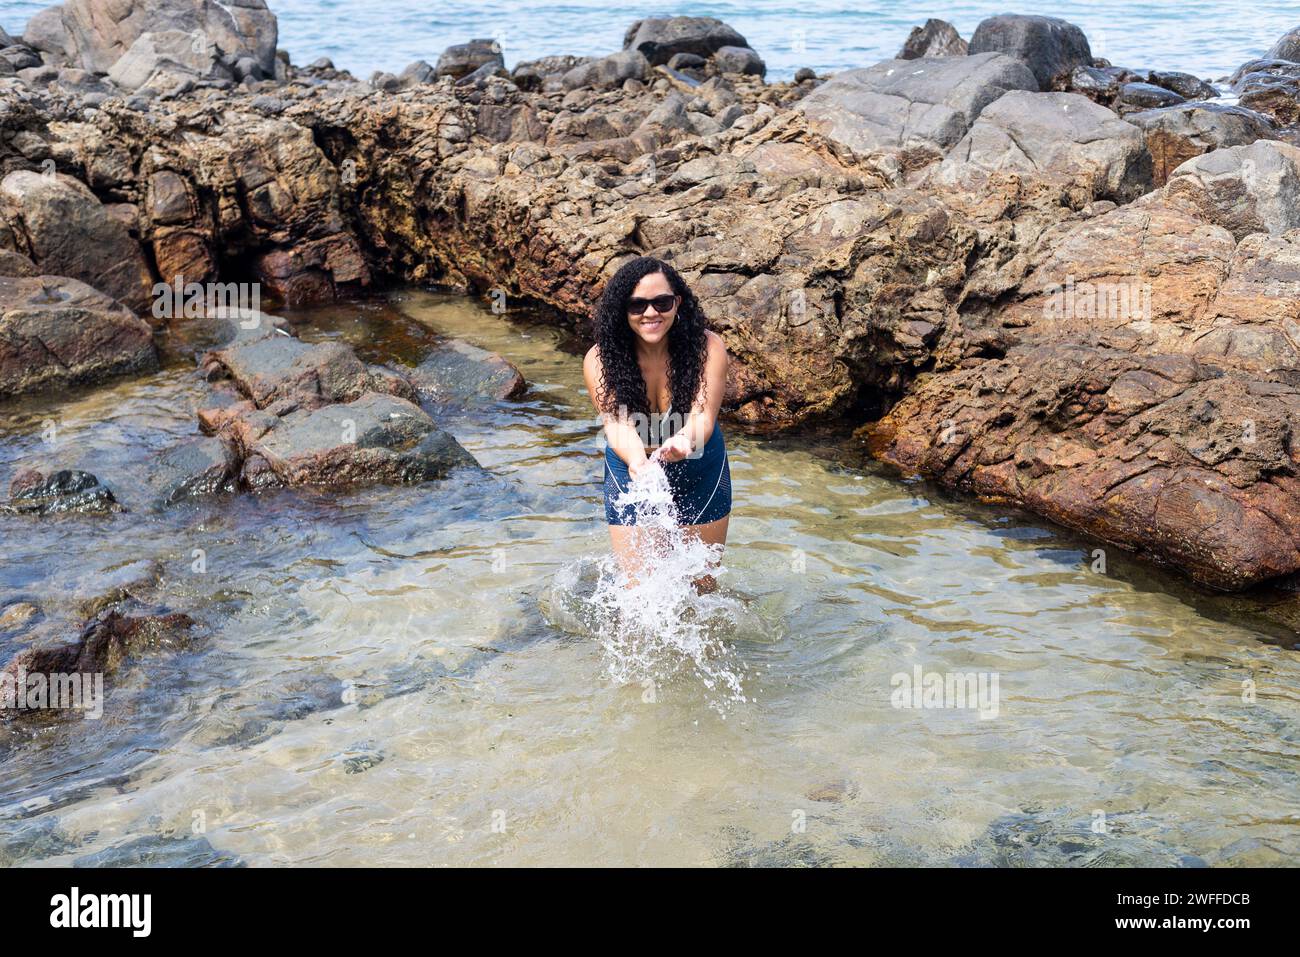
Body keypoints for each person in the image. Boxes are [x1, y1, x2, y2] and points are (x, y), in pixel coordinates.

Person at [582, 256, 731, 588]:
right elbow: (616, 424)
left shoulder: (708, 347)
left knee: (701, 587)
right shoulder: (599, 358)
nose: (651, 313)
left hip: (698, 465)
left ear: (677, 302)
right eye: (637, 305)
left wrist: (683, 441)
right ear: (623, 310)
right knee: (638, 589)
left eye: (661, 302)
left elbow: (703, 415)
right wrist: (638, 463)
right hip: (630, 466)